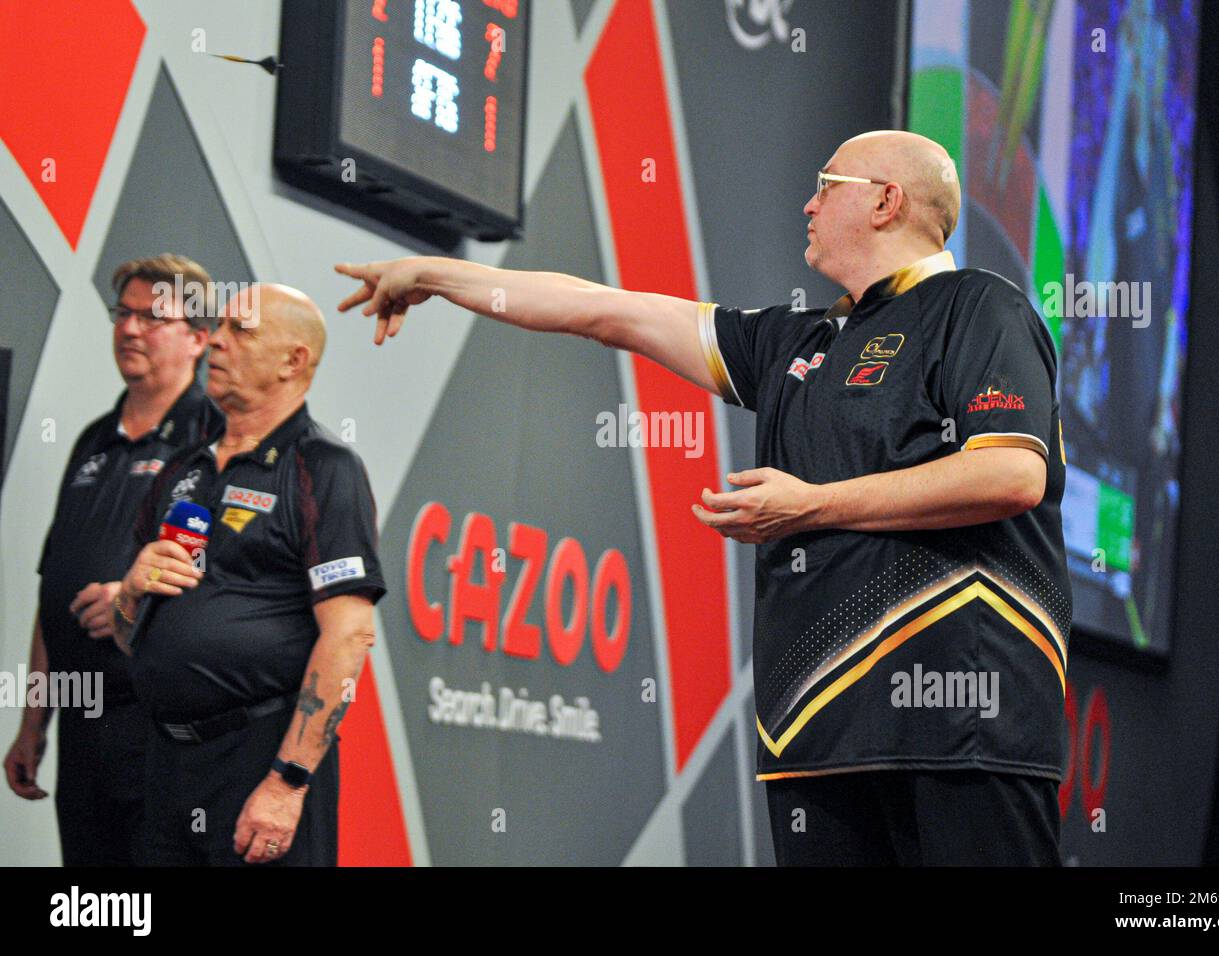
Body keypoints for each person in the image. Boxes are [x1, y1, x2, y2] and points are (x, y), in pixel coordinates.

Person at [335, 129, 1072, 867]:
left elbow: (1009, 475)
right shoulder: (797, 340)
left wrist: (811, 505)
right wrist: (435, 273)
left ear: (886, 201)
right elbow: (606, 311)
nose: (809, 204)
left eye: (828, 183)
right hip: (814, 728)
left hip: (961, 724)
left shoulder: (979, 306)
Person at [110, 283, 386, 866]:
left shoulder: (323, 467)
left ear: (293, 361)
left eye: (243, 330)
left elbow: (350, 636)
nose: (216, 341)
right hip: (164, 760)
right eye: (219, 327)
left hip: (257, 758)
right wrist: (131, 590)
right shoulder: (183, 468)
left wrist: (287, 783)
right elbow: (124, 634)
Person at [4, 254, 222, 865]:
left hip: (158, 728)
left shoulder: (216, 439)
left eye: (152, 317)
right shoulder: (92, 439)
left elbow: (231, 590)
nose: (129, 329)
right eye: (121, 313)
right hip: (80, 723)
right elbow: (55, 586)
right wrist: (32, 723)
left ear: (199, 338)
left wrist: (133, 600)